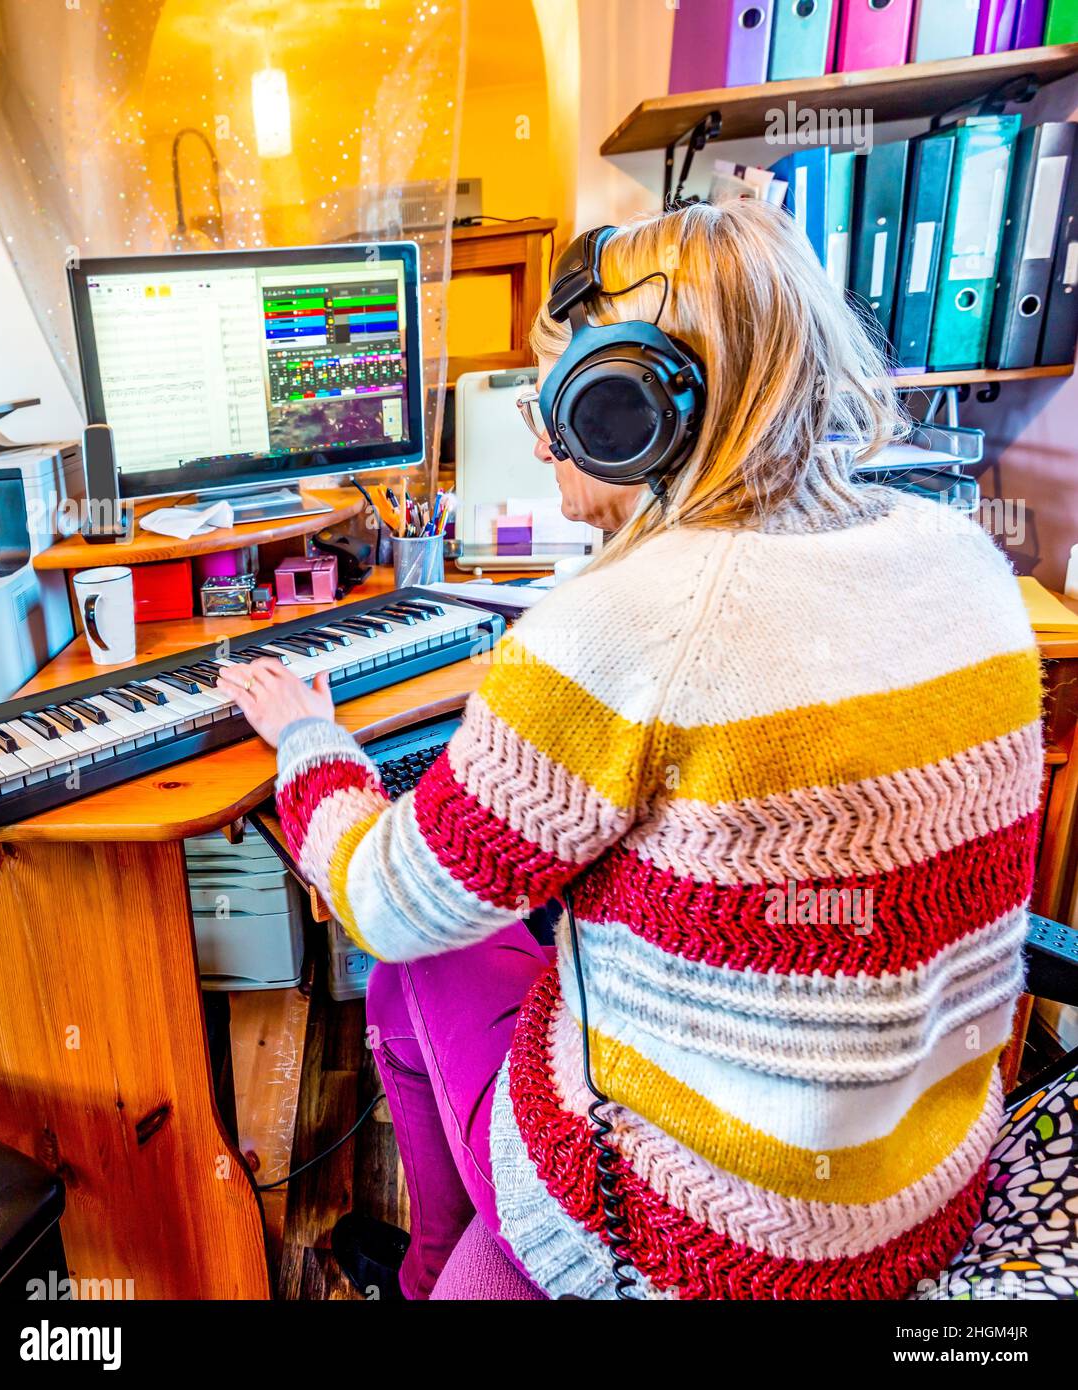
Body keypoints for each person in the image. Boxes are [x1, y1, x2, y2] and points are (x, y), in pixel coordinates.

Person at [218, 198, 1042, 1300]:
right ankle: (436, 1265)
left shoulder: (620, 625)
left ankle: (465, 1266)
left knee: (417, 951)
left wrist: (309, 739)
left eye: (559, 394)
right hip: (918, 1204)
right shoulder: (965, 558)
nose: (544, 432)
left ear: (631, 411)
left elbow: (382, 896)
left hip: (687, 1247)